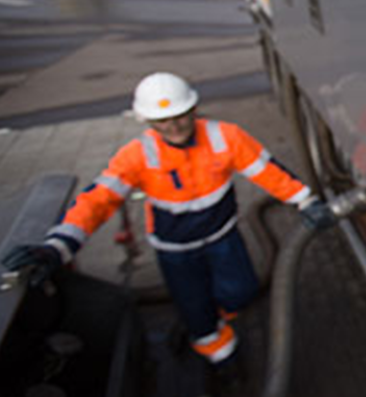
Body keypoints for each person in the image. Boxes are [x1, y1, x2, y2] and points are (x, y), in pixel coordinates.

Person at [1, 72, 338, 369]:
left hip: (222, 238)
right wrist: (58, 246)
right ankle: (222, 359)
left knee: (241, 291)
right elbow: (97, 199)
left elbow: (267, 171)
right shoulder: (137, 156)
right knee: (197, 312)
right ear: (147, 121)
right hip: (176, 253)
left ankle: (220, 319)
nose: (173, 126)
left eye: (179, 116)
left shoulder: (224, 137)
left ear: (193, 109)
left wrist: (305, 201)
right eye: (162, 121)